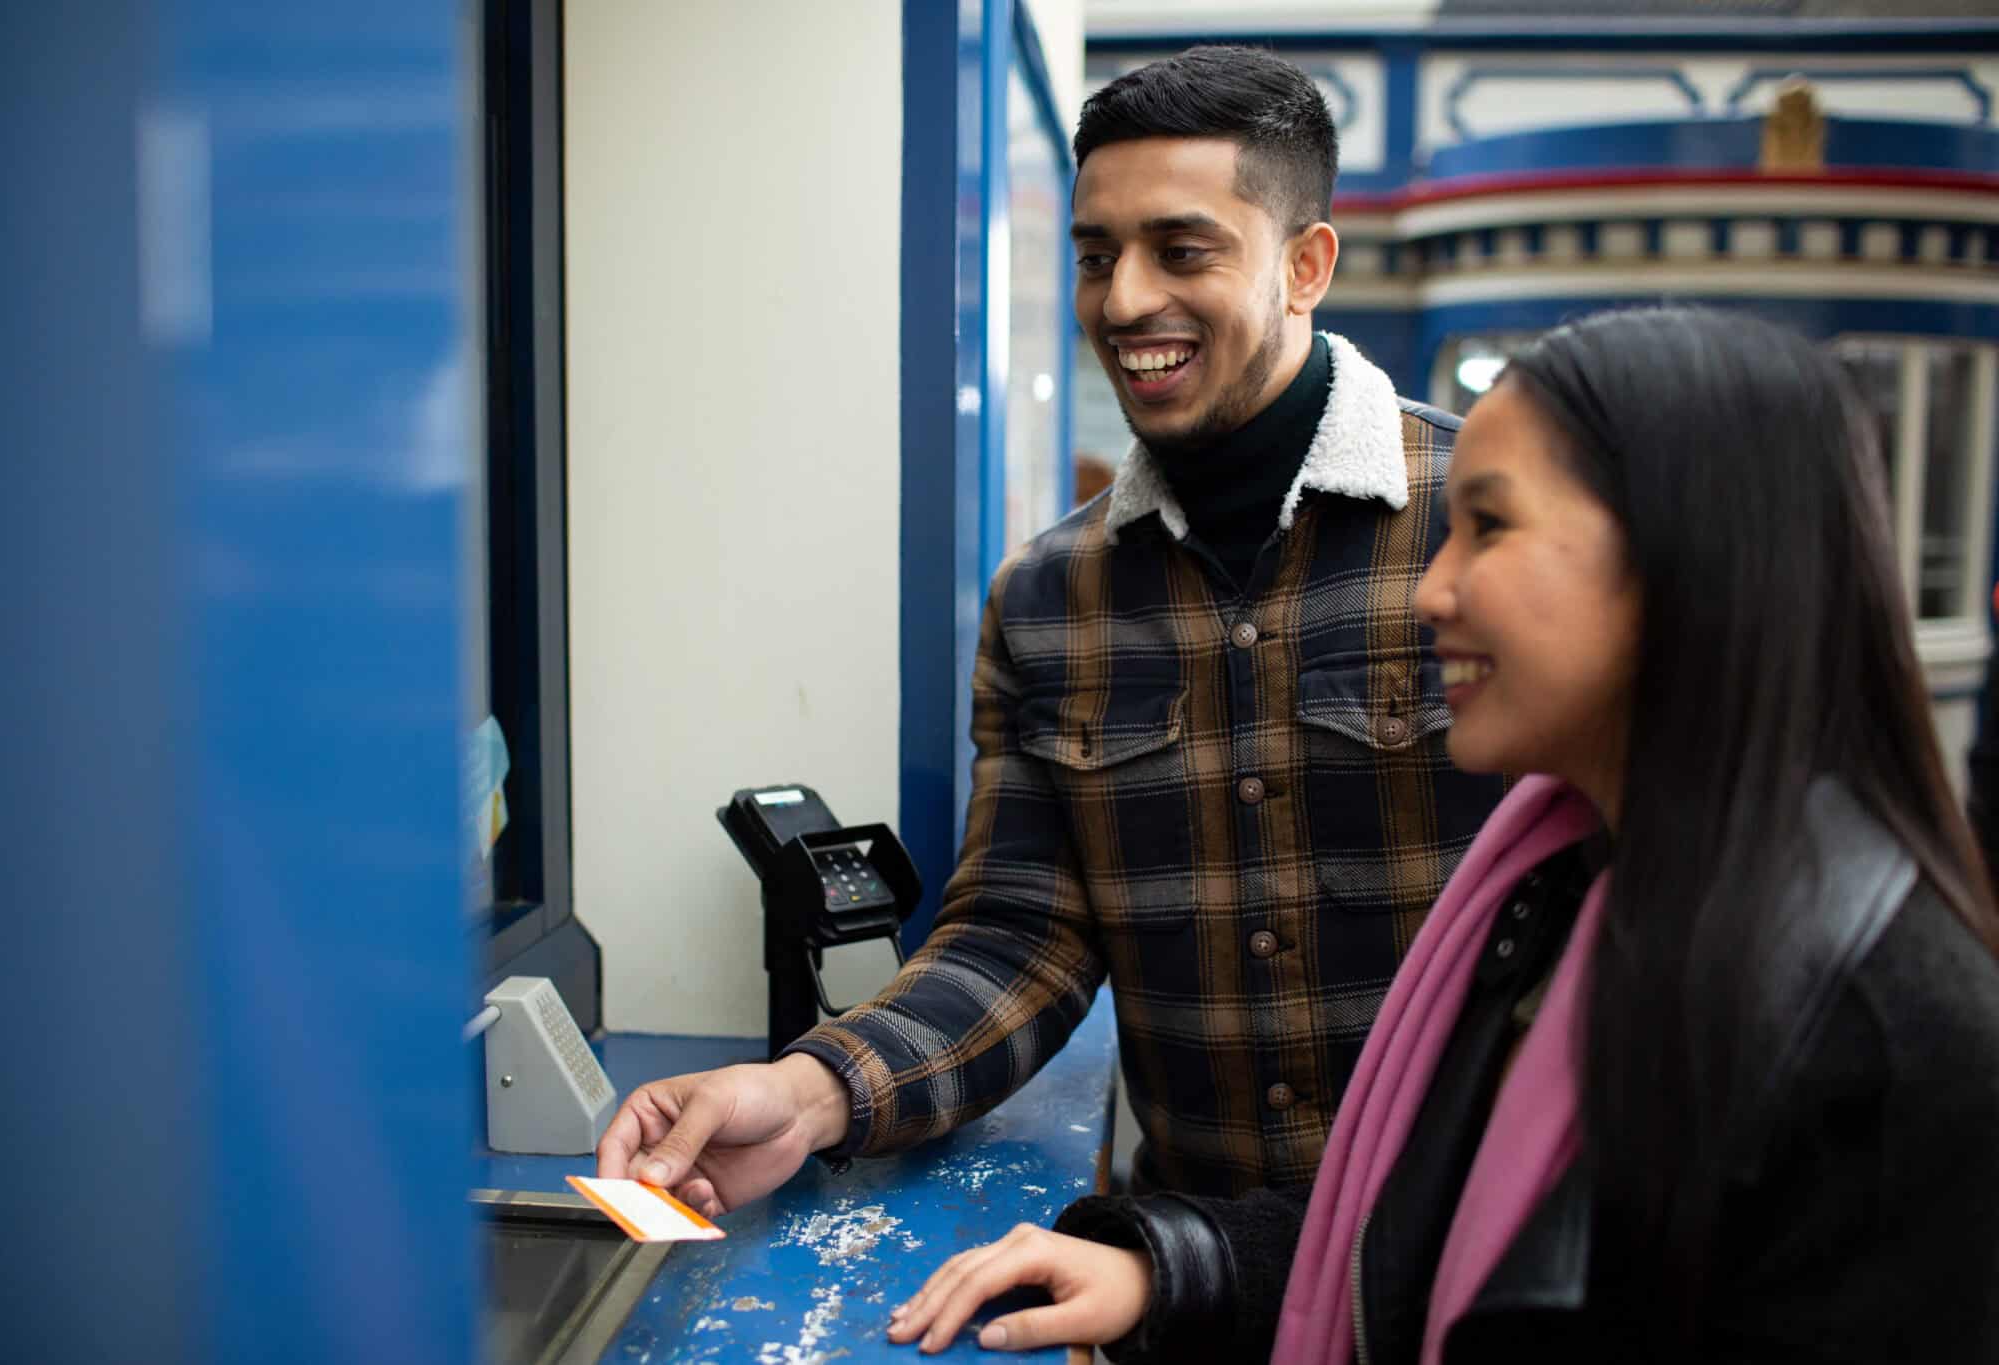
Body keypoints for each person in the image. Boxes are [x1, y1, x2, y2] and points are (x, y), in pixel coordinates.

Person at [883, 308, 1999, 1362]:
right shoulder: (1558, 890)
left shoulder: (1891, 1045)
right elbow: (1423, 1223)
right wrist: (1168, 1267)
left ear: (1686, 557)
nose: (1431, 591)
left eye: (1490, 528)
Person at [596, 46, 1505, 1211]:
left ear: (1303, 265)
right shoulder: (1047, 597)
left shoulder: (1486, 521)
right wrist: (813, 1093)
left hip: (1475, 1275)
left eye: (1181, 250)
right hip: (1186, 1287)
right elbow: (1017, 940)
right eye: (1095, 257)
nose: (1123, 301)